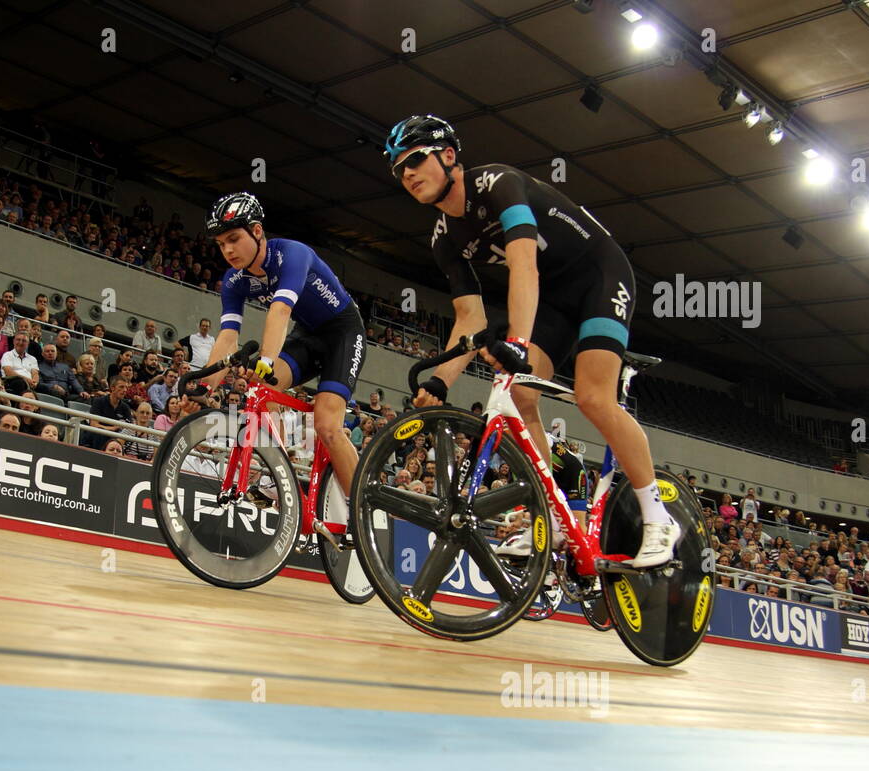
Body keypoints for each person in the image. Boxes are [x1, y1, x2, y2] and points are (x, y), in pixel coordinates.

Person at [386, 114, 676, 567]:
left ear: (448, 157)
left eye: (416, 159)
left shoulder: (499, 184)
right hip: (556, 298)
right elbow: (469, 315)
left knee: (593, 398)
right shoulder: (445, 238)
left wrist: (518, 342)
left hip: (598, 274)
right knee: (520, 394)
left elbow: (525, 266)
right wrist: (441, 379)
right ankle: (554, 521)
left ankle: (658, 516)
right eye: (398, 168)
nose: (407, 173)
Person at [195, 192, 366, 523]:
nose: (227, 250)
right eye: (220, 244)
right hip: (307, 336)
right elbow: (228, 336)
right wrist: (203, 386)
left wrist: (267, 360)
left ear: (257, 231)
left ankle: (362, 508)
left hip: (343, 333)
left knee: (327, 425)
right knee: (262, 385)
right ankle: (281, 470)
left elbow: (280, 311)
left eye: (233, 239)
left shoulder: (292, 254)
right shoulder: (233, 280)